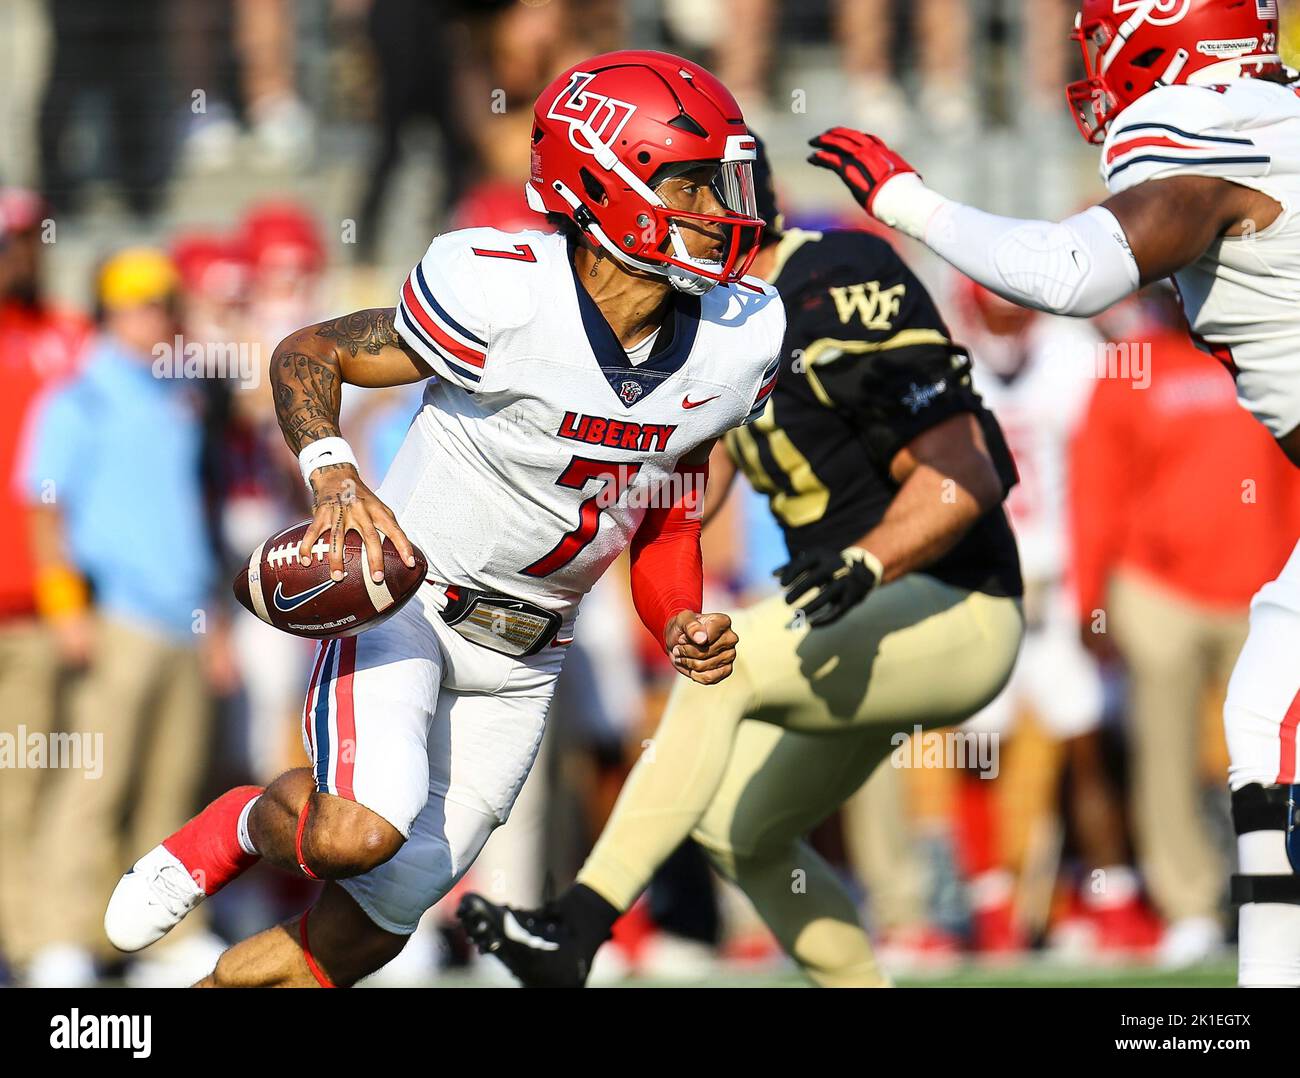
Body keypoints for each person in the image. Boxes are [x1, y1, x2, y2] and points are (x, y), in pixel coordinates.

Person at [103, 50, 785, 989]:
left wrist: (677, 619)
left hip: (528, 656)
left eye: (722, 184)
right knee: (357, 831)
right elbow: (311, 352)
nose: (722, 211)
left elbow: (667, 511)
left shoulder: (735, 340)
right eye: (693, 184)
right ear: (603, 177)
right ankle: (235, 825)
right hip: (409, 600)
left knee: (374, 925)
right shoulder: (502, 289)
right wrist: (335, 475)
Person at [802, 0, 1300, 988]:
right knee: (1264, 709)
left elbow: (1067, 272)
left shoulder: (1205, 131)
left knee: (1271, 712)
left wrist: (907, 199)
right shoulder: (1268, 117)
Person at [456, 138, 1026, 988]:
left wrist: (867, 563)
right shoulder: (715, 325)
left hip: (954, 605)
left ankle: (576, 927)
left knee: (730, 666)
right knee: (740, 828)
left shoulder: (838, 273)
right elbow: (689, 488)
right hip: (853, 627)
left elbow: (968, 468)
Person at [22, 248, 223, 987]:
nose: (154, 318)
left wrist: (216, 622)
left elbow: (189, 514)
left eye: (162, 303)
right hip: (117, 614)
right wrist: (66, 608)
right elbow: (45, 507)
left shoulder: (178, 394)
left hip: (181, 618)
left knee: (171, 793)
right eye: (139, 305)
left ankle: (162, 938)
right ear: (108, 312)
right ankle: (59, 936)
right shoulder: (81, 396)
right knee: (91, 790)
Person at [0, 188, 89, 980]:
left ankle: (30, 939)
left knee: (31, 777)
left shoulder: (70, 340)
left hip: (36, 607)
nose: (15, 255)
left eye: (25, 239)